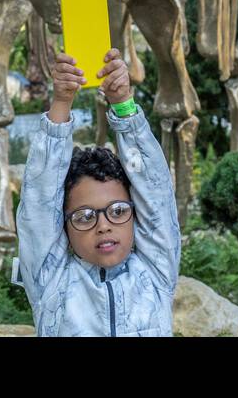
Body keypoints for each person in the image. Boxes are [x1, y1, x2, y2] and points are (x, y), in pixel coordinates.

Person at [17, 48, 180, 336]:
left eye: (118, 211)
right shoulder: (50, 281)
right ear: (63, 226)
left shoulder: (156, 272)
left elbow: (155, 193)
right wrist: (61, 102)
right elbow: (39, 204)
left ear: (134, 214)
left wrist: (123, 103)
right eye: (84, 216)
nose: (103, 226)